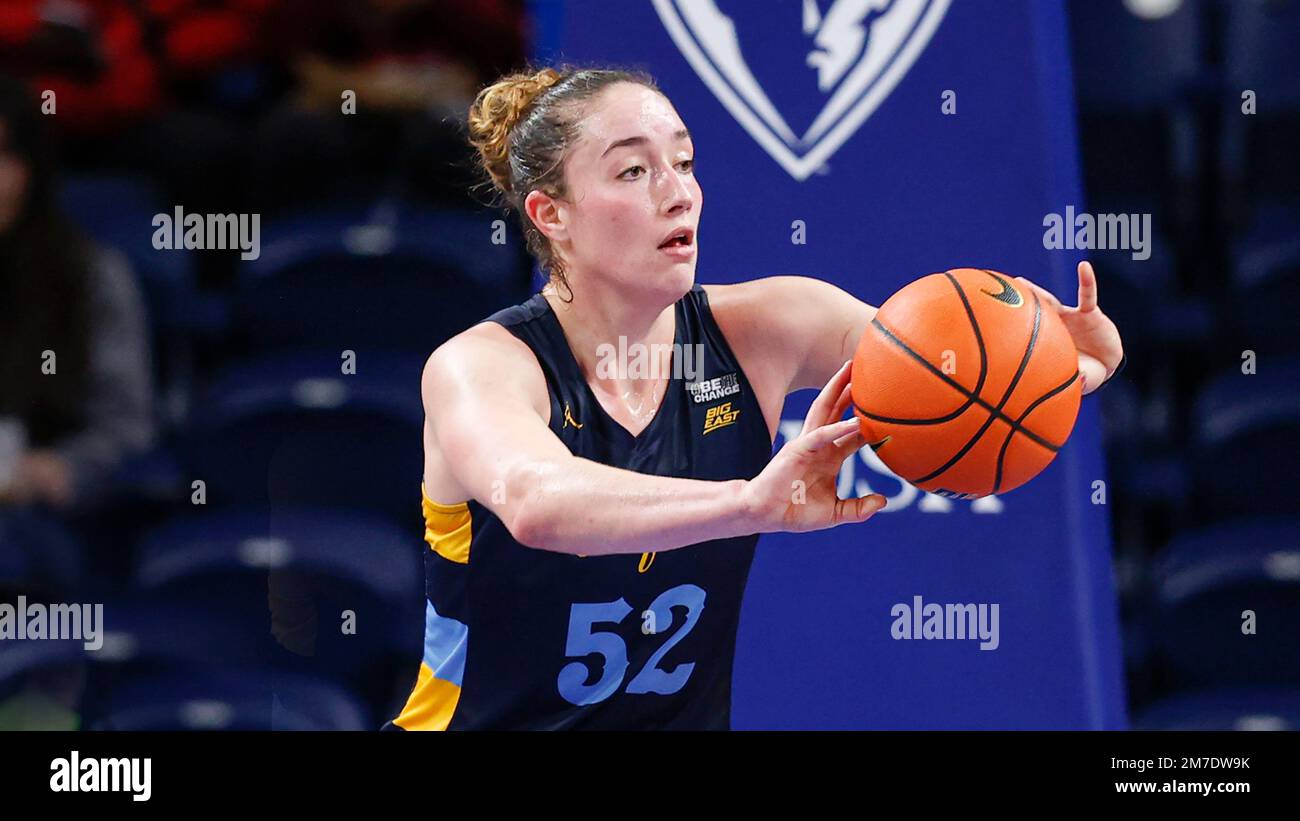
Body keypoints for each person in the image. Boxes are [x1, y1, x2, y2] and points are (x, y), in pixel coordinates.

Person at [384, 65, 1125, 730]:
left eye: (683, 161)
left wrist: (1057, 365)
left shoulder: (767, 327)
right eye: (634, 172)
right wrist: (748, 503)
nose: (678, 192)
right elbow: (537, 502)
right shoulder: (479, 366)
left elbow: (952, 376)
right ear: (552, 216)